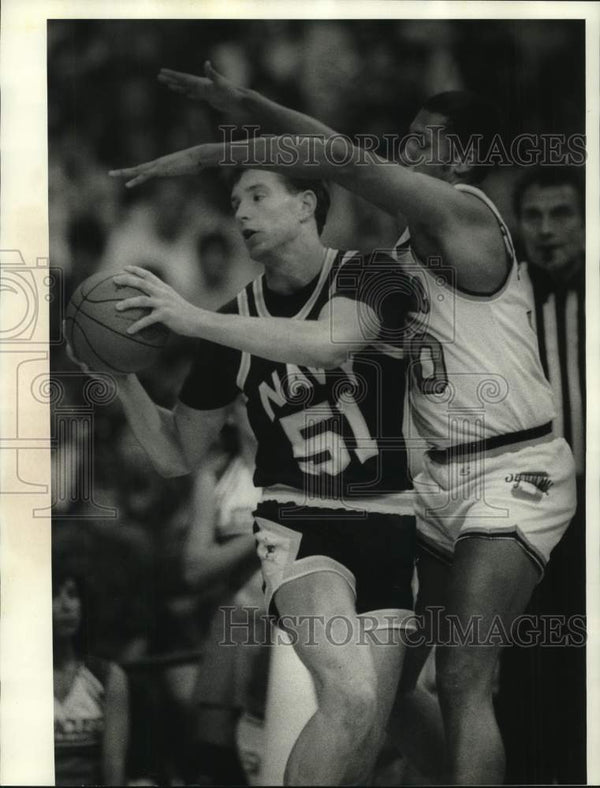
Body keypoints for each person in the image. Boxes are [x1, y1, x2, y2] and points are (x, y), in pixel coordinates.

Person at [109, 65, 578, 785]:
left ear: (460, 154)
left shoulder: (461, 218)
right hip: (428, 486)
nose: (404, 149)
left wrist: (236, 125)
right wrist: (223, 151)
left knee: (460, 680)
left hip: (511, 470)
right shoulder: (386, 262)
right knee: (381, 700)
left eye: (422, 140)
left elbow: (341, 164)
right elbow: (179, 450)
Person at [73, 166, 417, 786]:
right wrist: (118, 373)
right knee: (354, 697)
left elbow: (329, 345)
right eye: (235, 202)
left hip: (392, 515)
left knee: (365, 734)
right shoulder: (230, 323)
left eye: (258, 196)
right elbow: (177, 453)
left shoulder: (371, 274)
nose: (242, 213)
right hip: (299, 520)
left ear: (307, 204)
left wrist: (195, 319)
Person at [495, 165, 585, 784]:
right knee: (529, 664)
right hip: (528, 509)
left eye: (563, 215)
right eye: (534, 217)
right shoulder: (504, 298)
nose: (548, 230)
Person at [53, 569, 129, 786]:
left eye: (72, 594)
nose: (66, 606)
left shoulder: (107, 677)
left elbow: (114, 768)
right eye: (53, 596)